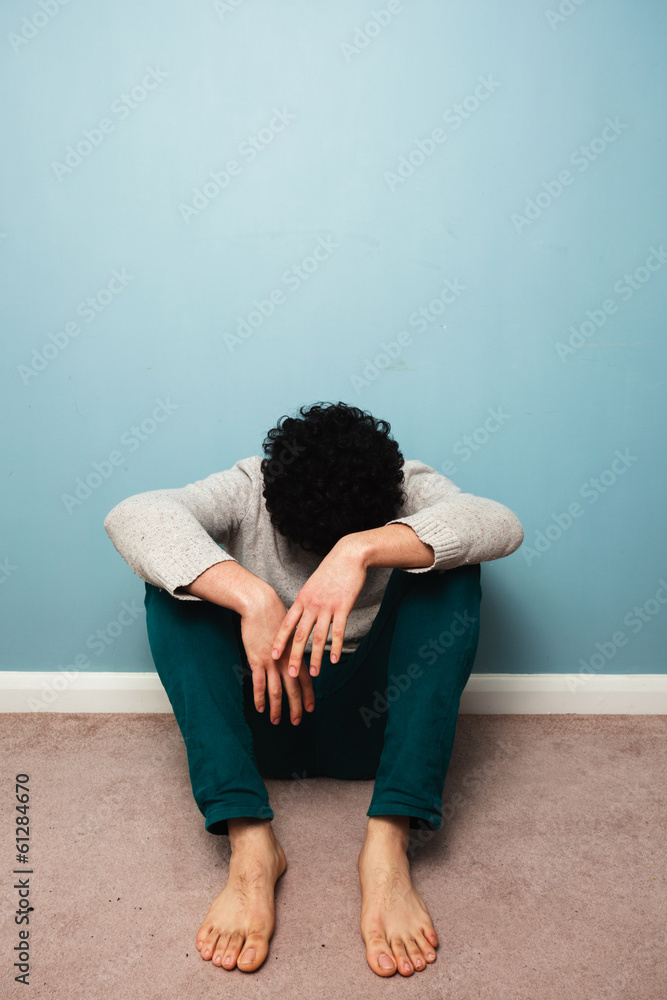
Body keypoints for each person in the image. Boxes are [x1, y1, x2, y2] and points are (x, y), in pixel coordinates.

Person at [103, 400, 524, 978]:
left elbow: (500, 522)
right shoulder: (249, 485)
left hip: (375, 728)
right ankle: (250, 844)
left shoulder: (408, 488)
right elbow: (135, 514)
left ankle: (388, 843)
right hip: (264, 715)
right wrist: (253, 596)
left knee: (454, 574)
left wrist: (362, 549)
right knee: (174, 587)